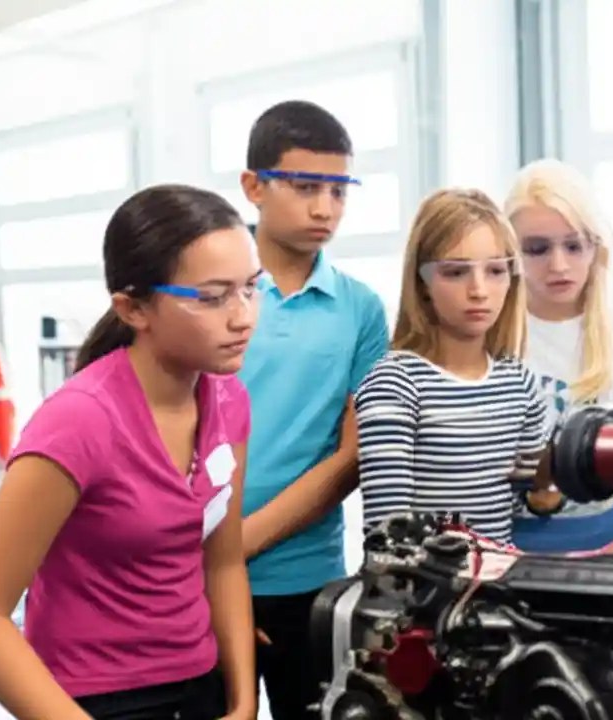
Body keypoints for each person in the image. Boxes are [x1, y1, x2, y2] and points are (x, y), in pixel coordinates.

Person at [0, 185, 260, 720]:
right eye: (212, 296)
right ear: (134, 308)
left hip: (199, 684)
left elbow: (223, 559)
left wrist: (243, 700)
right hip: (96, 699)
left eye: (252, 288)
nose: (243, 316)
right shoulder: (81, 422)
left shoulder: (227, 396)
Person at [236, 100, 389, 718]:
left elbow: (354, 456)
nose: (325, 208)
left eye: (338, 190)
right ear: (253, 186)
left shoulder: (361, 309)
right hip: (189, 576)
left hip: (311, 582)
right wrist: (212, 573)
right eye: (305, 188)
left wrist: (236, 548)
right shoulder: (212, 293)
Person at [355, 188, 548, 545]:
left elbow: (532, 498)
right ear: (423, 283)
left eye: (495, 270)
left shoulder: (519, 382)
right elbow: (387, 533)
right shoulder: (396, 385)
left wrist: (556, 481)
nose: (479, 290)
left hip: (497, 589)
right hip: (421, 594)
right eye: (456, 272)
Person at [503, 158, 613, 553]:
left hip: (610, 534)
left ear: (595, 245)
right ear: (511, 252)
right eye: (537, 249)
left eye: (573, 246)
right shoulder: (490, 323)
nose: (559, 265)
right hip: (507, 541)